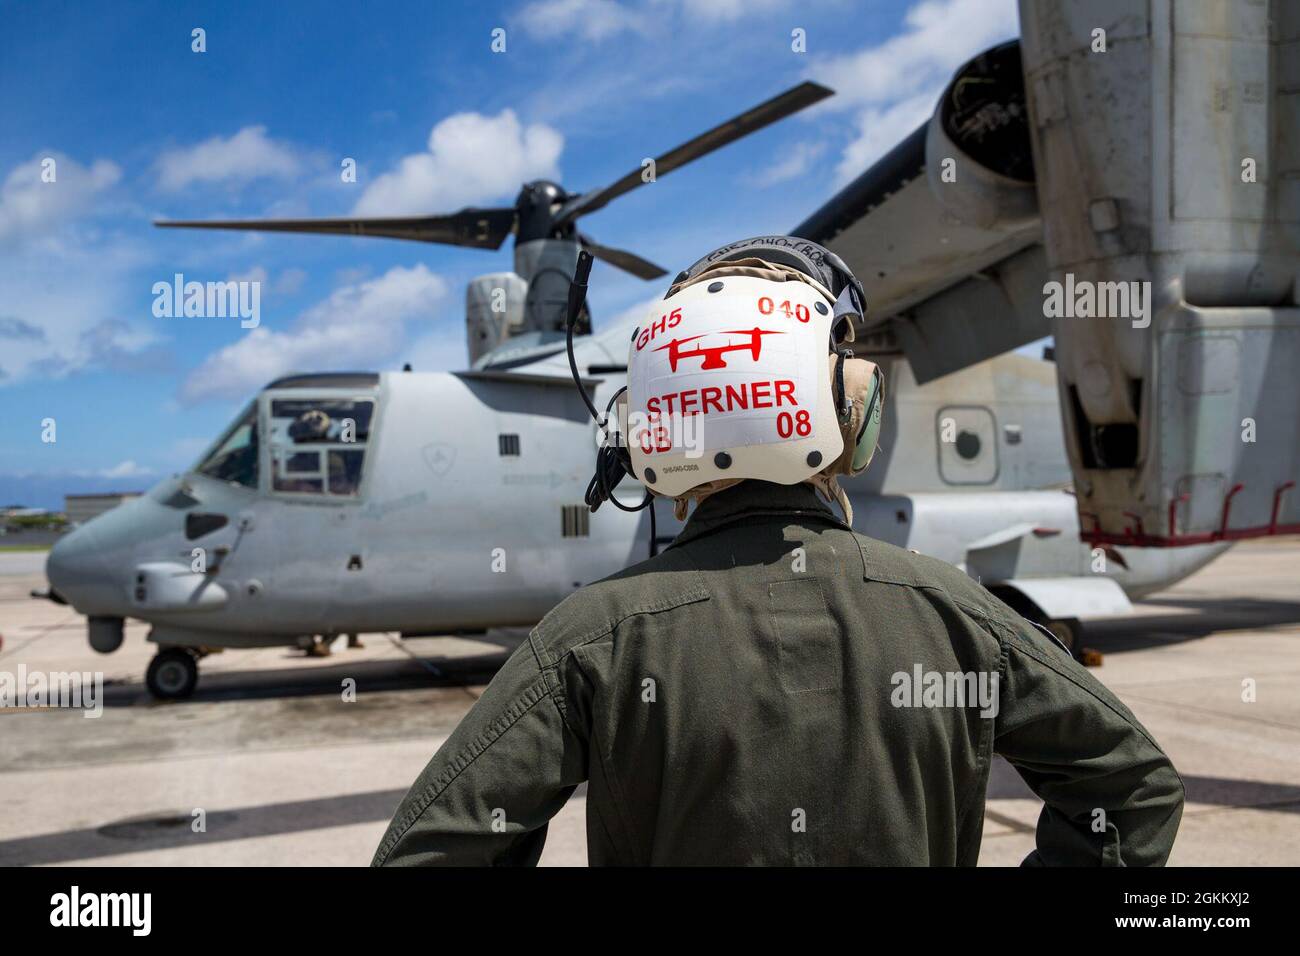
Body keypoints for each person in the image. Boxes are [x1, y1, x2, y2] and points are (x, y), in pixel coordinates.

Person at [373, 236, 1184, 866]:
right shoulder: (959, 616)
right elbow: (1133, 787)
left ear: (651, 431)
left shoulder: (588, 640)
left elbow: (430, 851)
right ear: (846, 413)